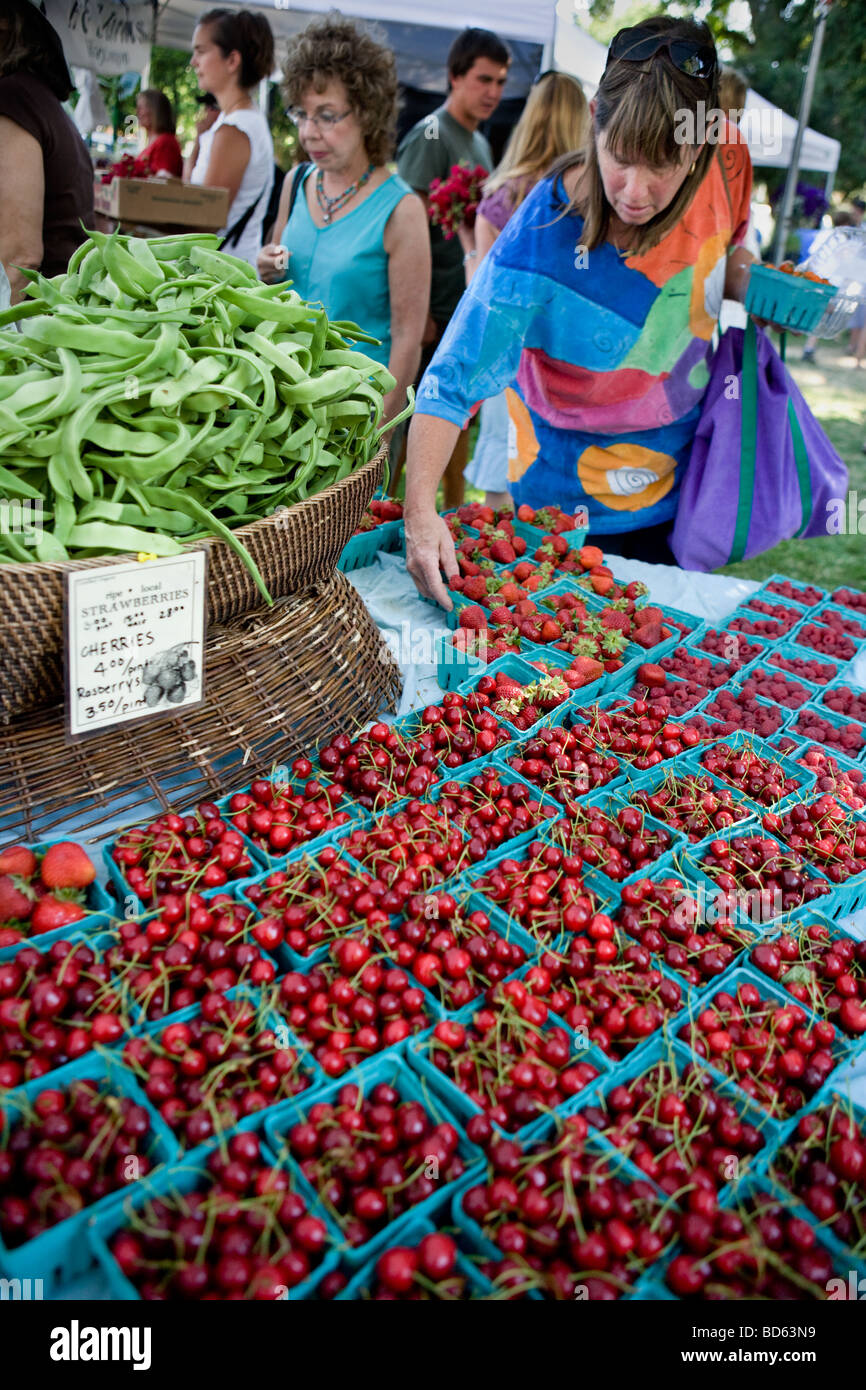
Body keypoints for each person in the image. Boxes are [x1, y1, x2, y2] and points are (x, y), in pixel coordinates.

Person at [404, 15, 758, 605]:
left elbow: (731, 250)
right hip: (555, 502)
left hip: (681, 487)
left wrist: (770, 292)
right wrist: (420, 515)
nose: (635, 192)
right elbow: (451, 378)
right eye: (620, 156)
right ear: (595, 118)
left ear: (702, 144)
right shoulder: (541, 232)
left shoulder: (730, 162)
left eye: (663, 165)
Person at [257, 15, 430, 433]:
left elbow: (408, 340)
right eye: (301, 114)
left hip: (357, 418)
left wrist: (377, 436)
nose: (308, 132)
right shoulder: (296, 182)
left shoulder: (402, 209)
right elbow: (277, 285)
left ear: (368, 112)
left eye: (327, 116)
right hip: (284, 410)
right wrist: (269, 268)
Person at [463, 70, 590, 510]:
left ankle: (504, 553)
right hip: (572, 352)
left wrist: (466, 248)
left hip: (510, 349)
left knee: (504, 444)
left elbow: (482, 293)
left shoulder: (502, 194)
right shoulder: (589, 199)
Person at [395, 27, 511, 506]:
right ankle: (372, 517)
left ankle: (453, 513)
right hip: (427, 307)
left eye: (501, 82)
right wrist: (415, 310)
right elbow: (404, 222)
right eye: (484, 79)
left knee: (456, 410)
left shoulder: (480, 144)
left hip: (458, 300)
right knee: (404, 425)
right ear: (454, 77)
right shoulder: (432, 133)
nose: (494, 92)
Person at [0, 0, 94, 304]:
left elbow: (18, 257)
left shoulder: (13, 98)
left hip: (39, 319)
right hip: (63, 308)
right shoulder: (41, 100)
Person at [189, 8, 275, 266]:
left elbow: (205, 221)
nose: (194, 61)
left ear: (232, 60)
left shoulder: (236, 130)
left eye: (201, 51)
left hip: (223, 277)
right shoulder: (236, 122)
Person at [134, 88, 183, 178]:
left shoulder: (165, 143)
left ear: (155, 111)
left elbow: (163, 182)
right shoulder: (157, 142)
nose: (137, 112)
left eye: (141, 108)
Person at [184, 92, 220, 180]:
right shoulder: (206, 137)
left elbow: (187, 178)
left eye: (209, 107)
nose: (205, 111)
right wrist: (198, 137)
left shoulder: (220, 137)